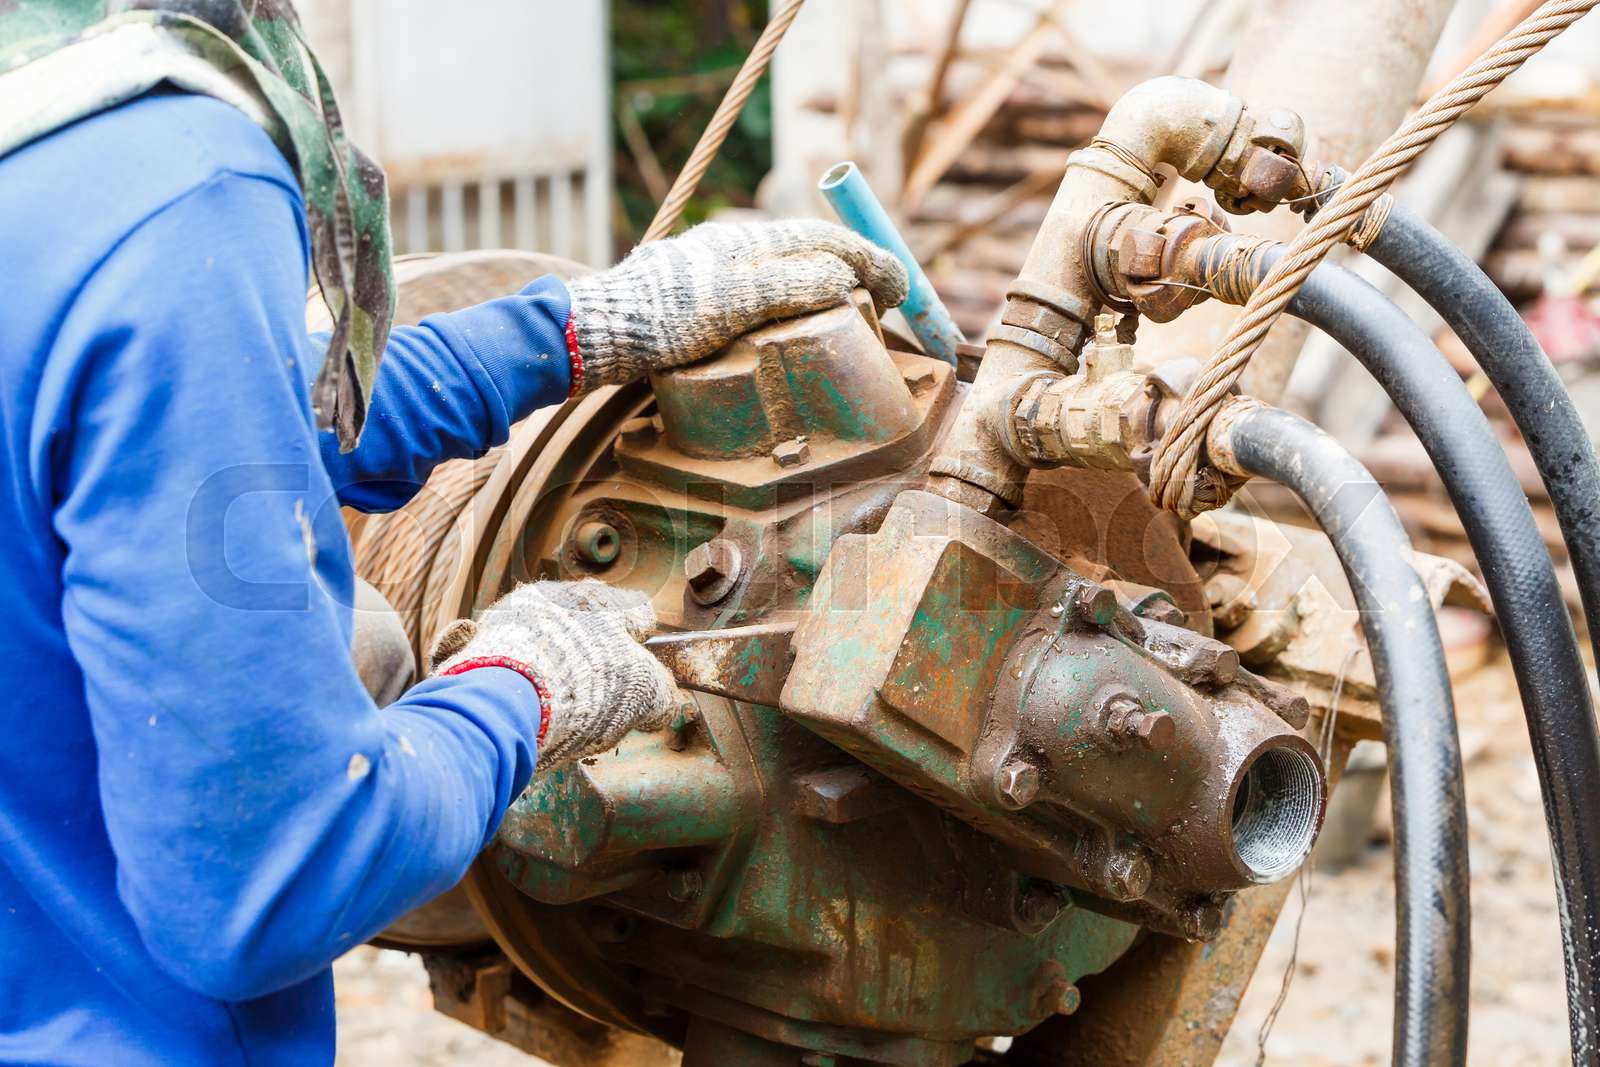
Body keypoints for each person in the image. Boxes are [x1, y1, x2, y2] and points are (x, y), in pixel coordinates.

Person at [0, 3, 909, 1064]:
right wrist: (519, 692)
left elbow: (158, 425)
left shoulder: (45, 158)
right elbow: (267, 878)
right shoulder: (170, 186)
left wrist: (573, 329)